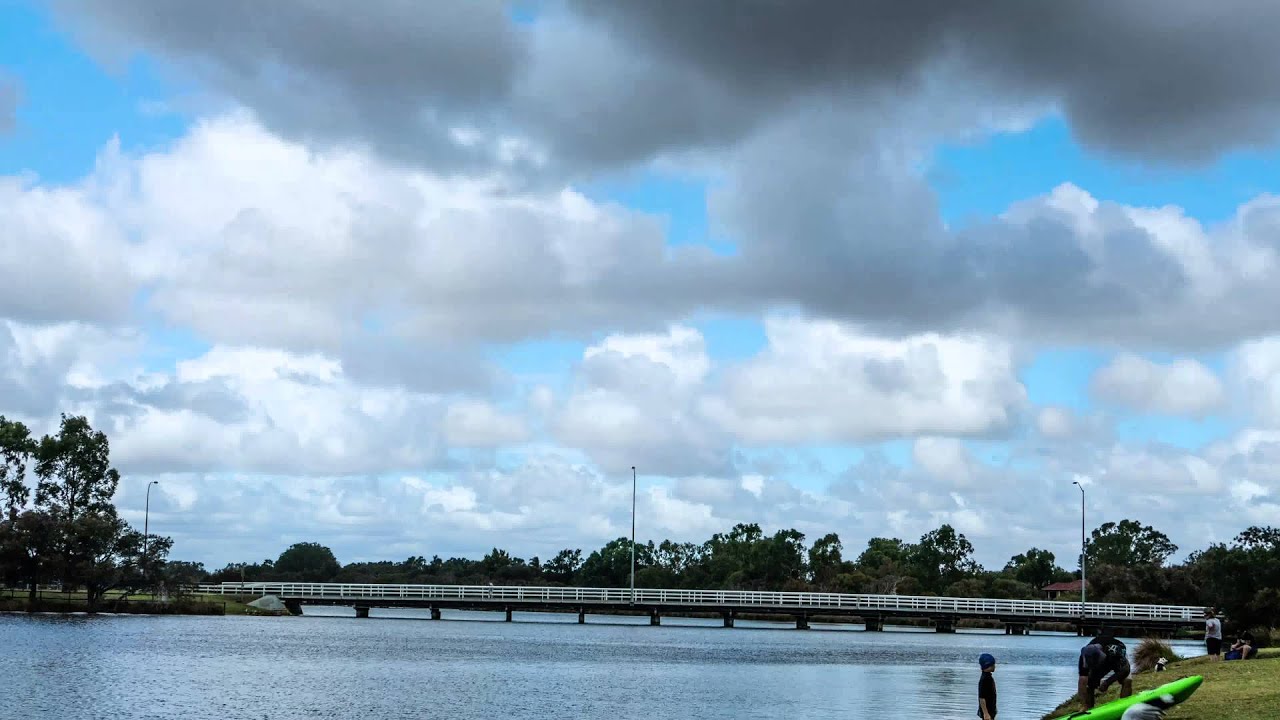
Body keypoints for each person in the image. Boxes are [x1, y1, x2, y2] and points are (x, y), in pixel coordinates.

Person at [1078, 634, 1132, 710]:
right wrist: (1082, 703)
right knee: (1088, 684)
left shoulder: (1115, 651)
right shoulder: (1084, 656)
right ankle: (1088, 708)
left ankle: (1125, 707)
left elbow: (1125, 669)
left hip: (1115, 659)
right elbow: (1082, 681)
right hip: (1101, 661)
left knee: (1127, 680)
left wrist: (1107, 682)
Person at [977, 653, 997, 720]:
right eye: (992, 665)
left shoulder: (988, 676)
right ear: (987, 666)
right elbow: (982, 698)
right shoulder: (985, 679)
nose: (994, 666)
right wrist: (986, 713)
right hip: (987, 712)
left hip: (990, 710)